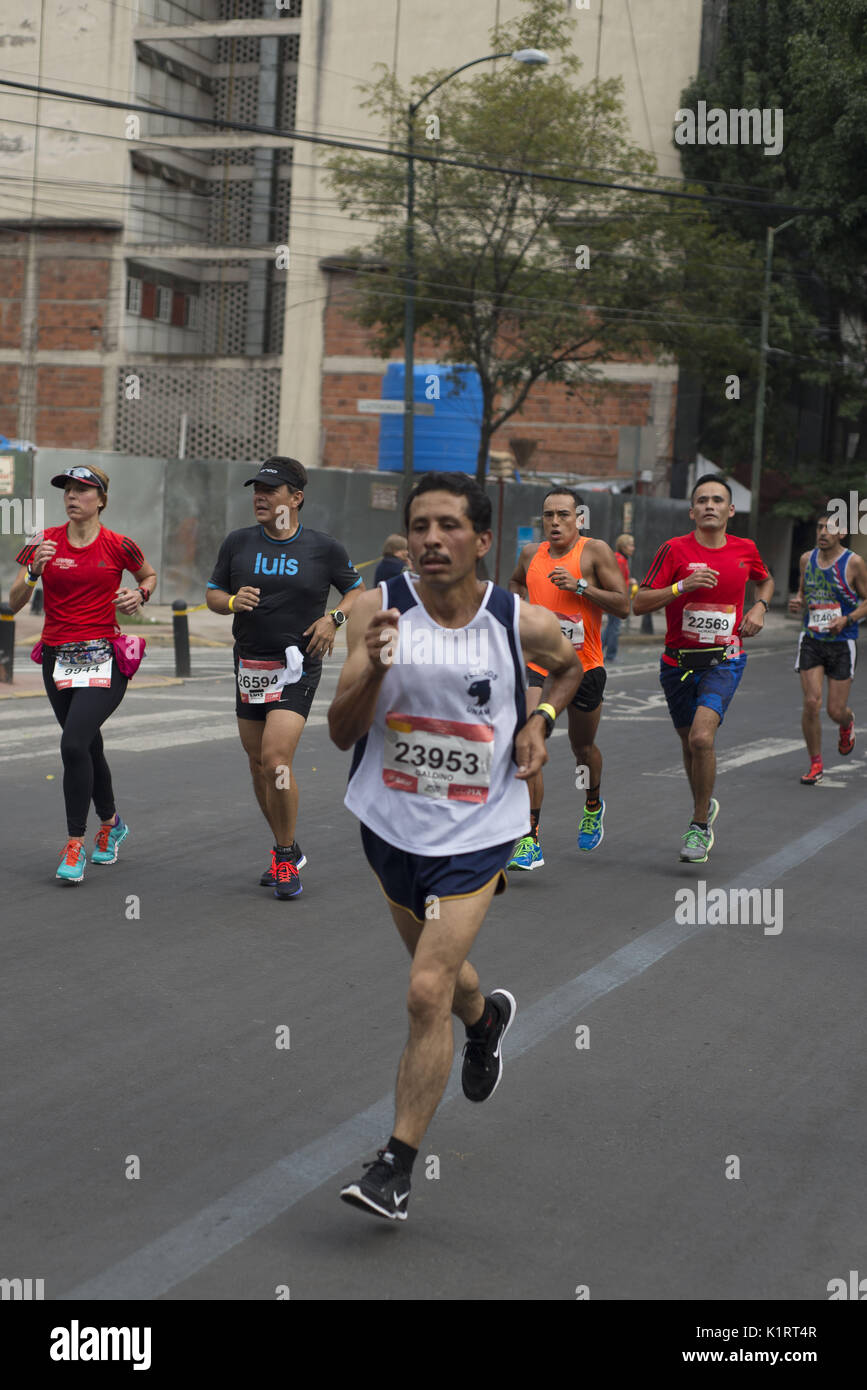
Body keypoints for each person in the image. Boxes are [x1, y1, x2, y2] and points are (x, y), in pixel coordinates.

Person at [328, 471, 582, 1222]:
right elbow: (342, 732)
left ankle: (395, 1169)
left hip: (478, 830)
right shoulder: (375, 612)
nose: (431, 539)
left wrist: (538, 721)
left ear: (480, 539)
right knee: (443, 977)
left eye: (447, 526)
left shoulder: (518, 621)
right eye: (419, 526)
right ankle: (487, 1021)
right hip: (390, 826)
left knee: (422, 990)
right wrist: (373, 665)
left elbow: (569, 667)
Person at [206, 457, 363, 899]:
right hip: (250, 663)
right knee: (257, 764)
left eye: (270, 490)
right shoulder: (237, 543)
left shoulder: (322, 547)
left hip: (297, 663)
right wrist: (231, 601)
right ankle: (287, 847)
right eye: (256, 488)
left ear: (295, 498)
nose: (259, 496)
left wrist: (333, 619)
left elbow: (355, 590)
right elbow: (213, 594)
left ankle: (282, 852)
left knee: (276, 759)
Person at [9, 465, 156, 883]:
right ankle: (112, 824)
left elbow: (147, 574)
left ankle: (75, 842)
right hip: (57, 657)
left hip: (103, 656)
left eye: (83, 490)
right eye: (68, 490)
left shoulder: (118, 544)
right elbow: (14, 601)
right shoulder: (42, 542)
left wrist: (139, 593)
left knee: (72, 743)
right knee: (87, 746)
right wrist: (33, 572)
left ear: (101, 500)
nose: (73, 496)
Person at [632, 473, 774, 862]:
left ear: (730, 510)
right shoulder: (674, 550)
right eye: (702, 500)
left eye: (717, 500)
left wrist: (759, 607)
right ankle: (703, 804)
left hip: (724, 659)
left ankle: (698, 825)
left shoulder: (746, 549)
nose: (709, 505)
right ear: (692, 511)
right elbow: (640, 603)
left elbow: (765, 581)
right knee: (688, 743)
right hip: (676, 663)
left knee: (700, 739)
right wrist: (682, 586)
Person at [506, 489, 628, 866]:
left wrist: (579, 587)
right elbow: (514, 583)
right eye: (548, 515)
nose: (555, 522)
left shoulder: (595, 552)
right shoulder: (530, 555)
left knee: (582, 749)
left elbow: (624, 605)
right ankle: (530, 839)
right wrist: (521, 611)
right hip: (541, 665)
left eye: (563, 514)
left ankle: (592, 803)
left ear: (579, 518)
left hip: (585, 667)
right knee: (528, 738)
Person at [789, 511, 867, 784]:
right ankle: (815, 763)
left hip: (842, 642)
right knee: (811, 702)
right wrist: (797, 600)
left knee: (835, 710)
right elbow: (802, 590)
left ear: (842, 533)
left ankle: (846, 724)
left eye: (830, 528)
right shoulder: (806, 559)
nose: (822, 532)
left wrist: (847, 618)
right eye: (820, 527)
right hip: (811, 639)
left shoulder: (854, 563)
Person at [602, 533, 637, 662]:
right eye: (631, 545)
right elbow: (619, 581)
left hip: (612, 597)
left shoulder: (618, 558)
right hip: (617, 598)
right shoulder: (621, 560)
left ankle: (598, 651)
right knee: (615, 627)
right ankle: (611, 655)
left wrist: (629, 579)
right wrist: (630, 582)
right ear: (623, 546)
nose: (633, 548)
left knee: (611, 625)